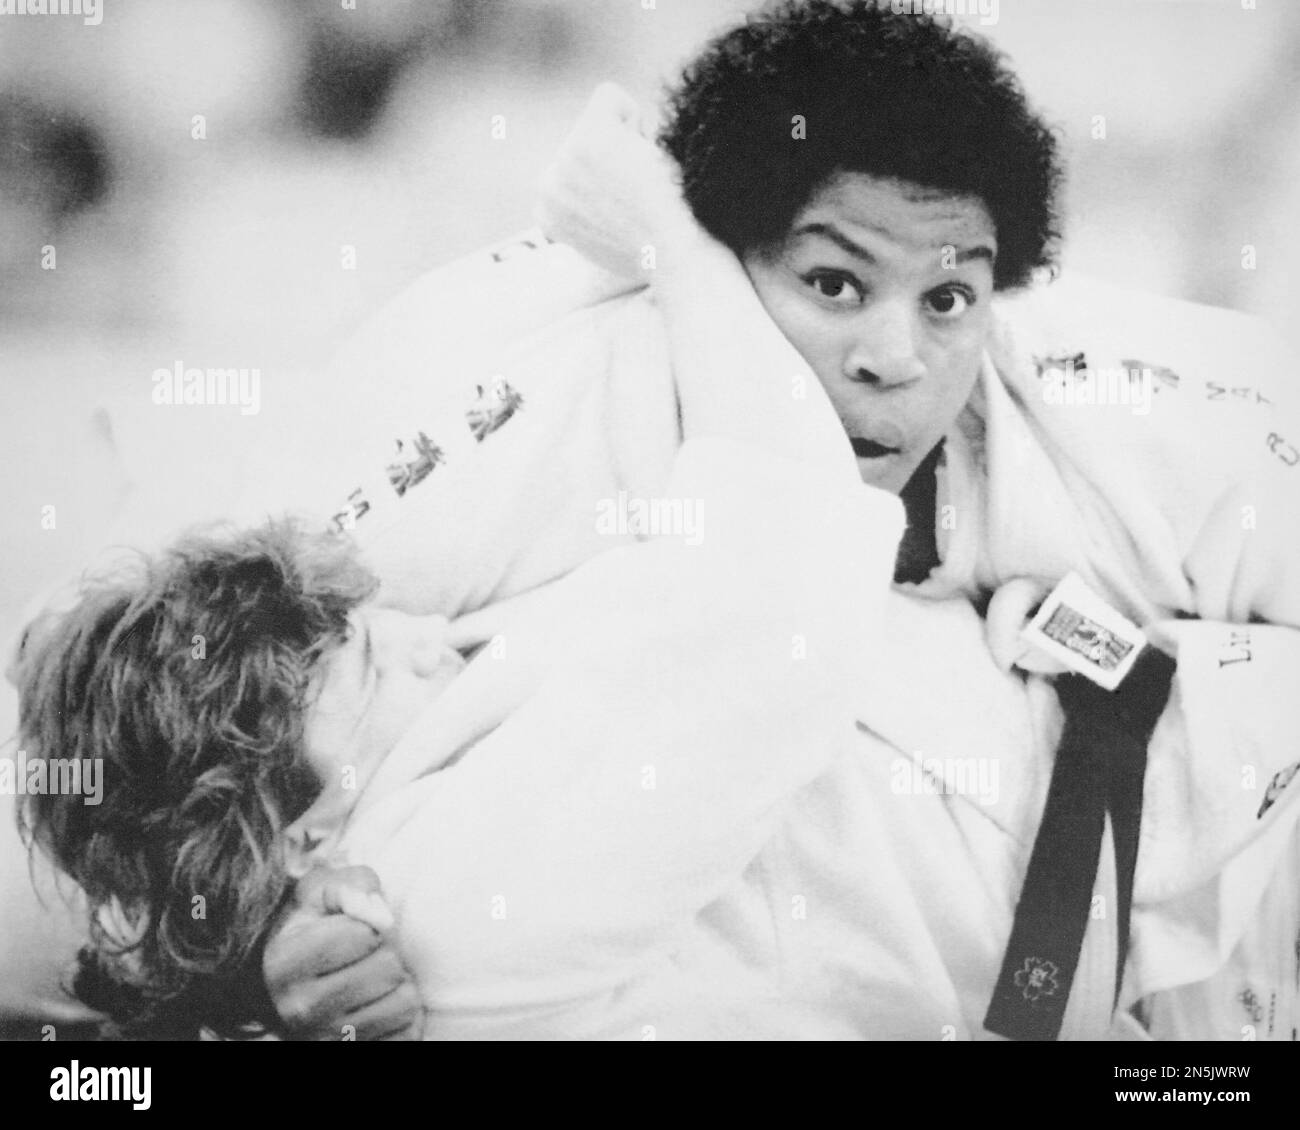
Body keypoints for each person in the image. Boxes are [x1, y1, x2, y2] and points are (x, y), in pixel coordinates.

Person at [253, 0, 1300, 1040]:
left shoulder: (1118, 418)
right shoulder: (558, 398)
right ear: (719, 253)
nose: (894, 354)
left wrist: (1114, 663)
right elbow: (189, 695)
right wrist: (275, 939)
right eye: (832, 282)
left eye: (948, 300)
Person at [14, 172, 918, 1038]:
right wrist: (673, 244)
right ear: (300, 838)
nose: (418, 635)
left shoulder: (393, 757)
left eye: (370, 629)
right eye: (371, 669)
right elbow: (785, 585)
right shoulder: (446, 911)